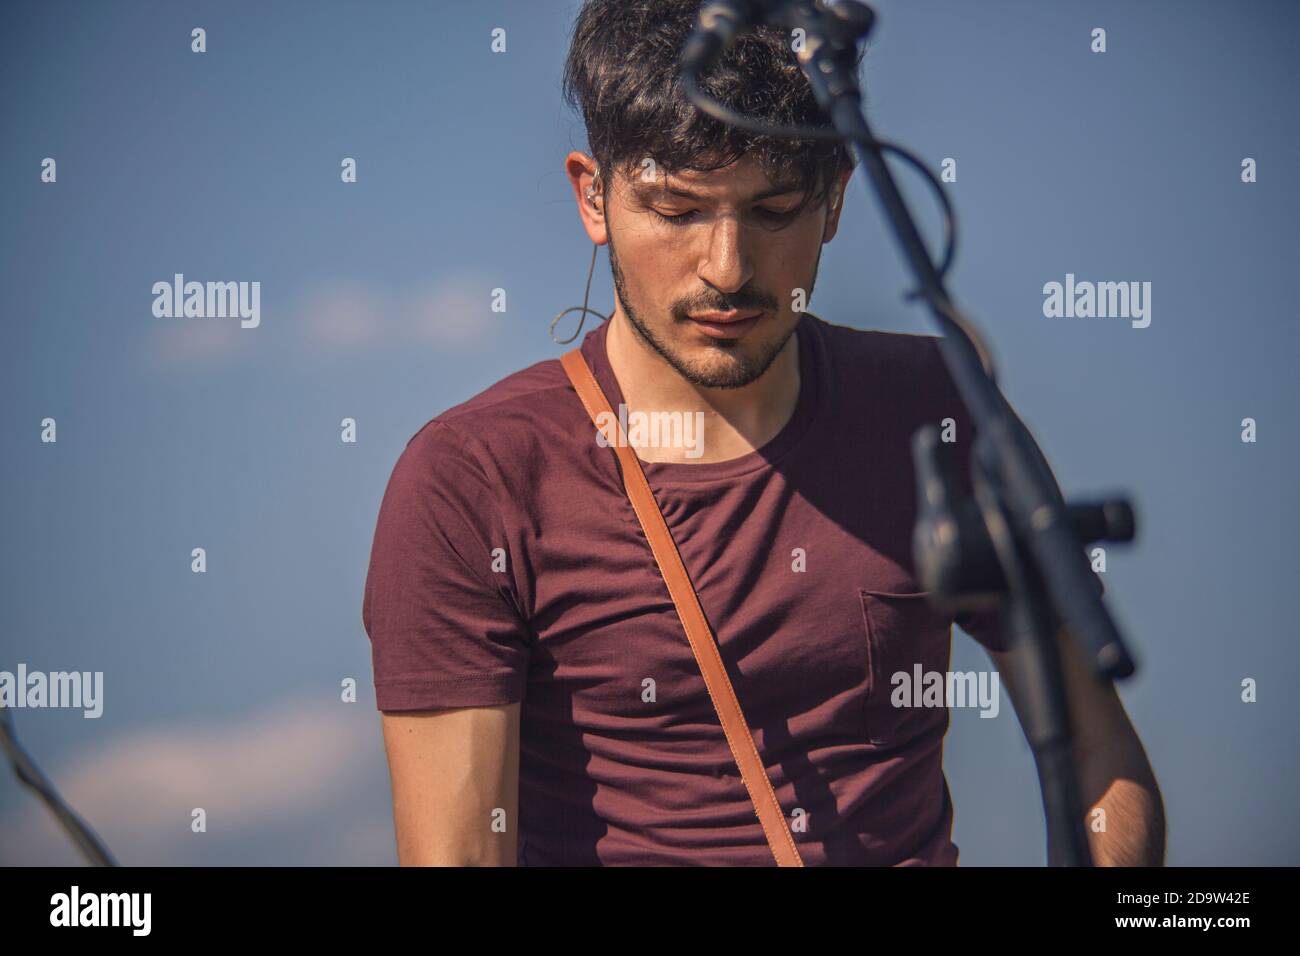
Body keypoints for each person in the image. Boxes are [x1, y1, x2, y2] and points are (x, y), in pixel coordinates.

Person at [362, 0, 1164, 866]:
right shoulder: (471, 480)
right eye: (675, 211)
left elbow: (1096, 753)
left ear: (837, 198)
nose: (728, 269)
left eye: (776, 209)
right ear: (592, 196)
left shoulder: (938, 407)